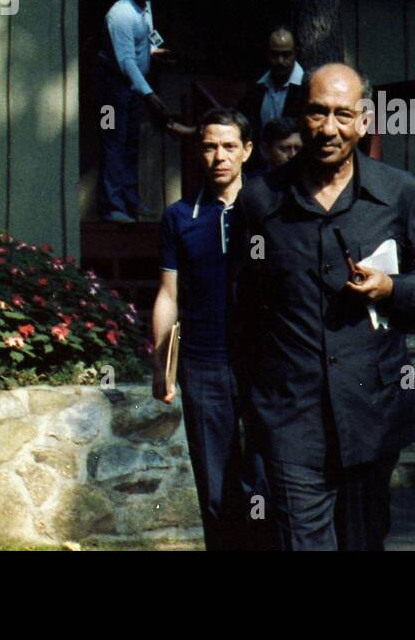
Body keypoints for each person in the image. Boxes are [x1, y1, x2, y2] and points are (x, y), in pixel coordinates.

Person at [232, 63, 415, 551]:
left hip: (370, 412)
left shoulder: (400, 193)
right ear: (299, 115)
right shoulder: (259, 200)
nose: (329, 128)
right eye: (317, 113)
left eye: (342, 115)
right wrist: (252, 404)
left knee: (363, 540)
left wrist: (392, 288)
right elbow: (242, 307)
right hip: (290, 415)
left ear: (364, 121)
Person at [151, 107, 268, 551]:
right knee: (215, 488)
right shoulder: (179, 216)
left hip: (264, 365)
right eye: (209, 146)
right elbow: (167, 294)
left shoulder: (268, 212)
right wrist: (162, 363)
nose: (219, 156)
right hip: (203, 365)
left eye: (229, 146)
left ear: (247, 151)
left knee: (264, 484)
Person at [96, 0, 168, 222]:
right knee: (114, 141)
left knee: (131, 144)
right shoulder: (120, 15)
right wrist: (149, 94)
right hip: (113, 85)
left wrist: (154, 52)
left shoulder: (144, 6)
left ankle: (130, 199)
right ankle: (112, 206)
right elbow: (126, 61)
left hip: (133, 86)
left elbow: (143, 42)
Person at [237, 26, 305, 170]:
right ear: (267, 54)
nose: (280, 61)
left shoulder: (307, 87)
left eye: (286, 55)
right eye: (275, 55)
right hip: (261, 172)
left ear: (295, 53)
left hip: (297, 170)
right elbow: (240, 120)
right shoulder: (257, 85)